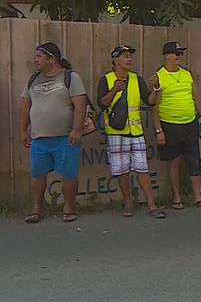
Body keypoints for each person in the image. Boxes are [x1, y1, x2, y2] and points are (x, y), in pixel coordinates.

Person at [20, 42, 87, 223]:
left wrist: (76, 130)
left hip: (66, 137)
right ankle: (37, 208)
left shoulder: (70, 77)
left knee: (68, 174)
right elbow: (26, 106)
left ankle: (68, 207)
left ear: (52, 59)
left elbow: (80, 104)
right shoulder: (33, 79)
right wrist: (22, 130)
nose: (36, 60)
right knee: (38, 173)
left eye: (39, 57)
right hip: (39, 138)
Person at [97, 45, 166, 219]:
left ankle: (151, 205)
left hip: (136, 131)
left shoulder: (137, 79)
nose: (129, 59)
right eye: (125, 56)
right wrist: (114, 90)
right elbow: (101, 104)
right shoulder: (106, 79)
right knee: (122, 170)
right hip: (115, 131)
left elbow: (150, 101)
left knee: (142, 169)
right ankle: (128, 202)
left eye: (130, 56)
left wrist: (156, 89)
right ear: (115, 60)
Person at [151, 41, 201, 210]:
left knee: (194, 160)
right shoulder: (159, 76)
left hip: (189, 123)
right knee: (173, 161)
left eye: (181, 54)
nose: (179, 57)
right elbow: (154, 106)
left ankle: (197, 197)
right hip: (169, 123)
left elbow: (196, 97)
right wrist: (158, 130)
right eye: (176, 54)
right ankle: (177, 198)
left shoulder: (186, 75)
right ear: (167, 56)